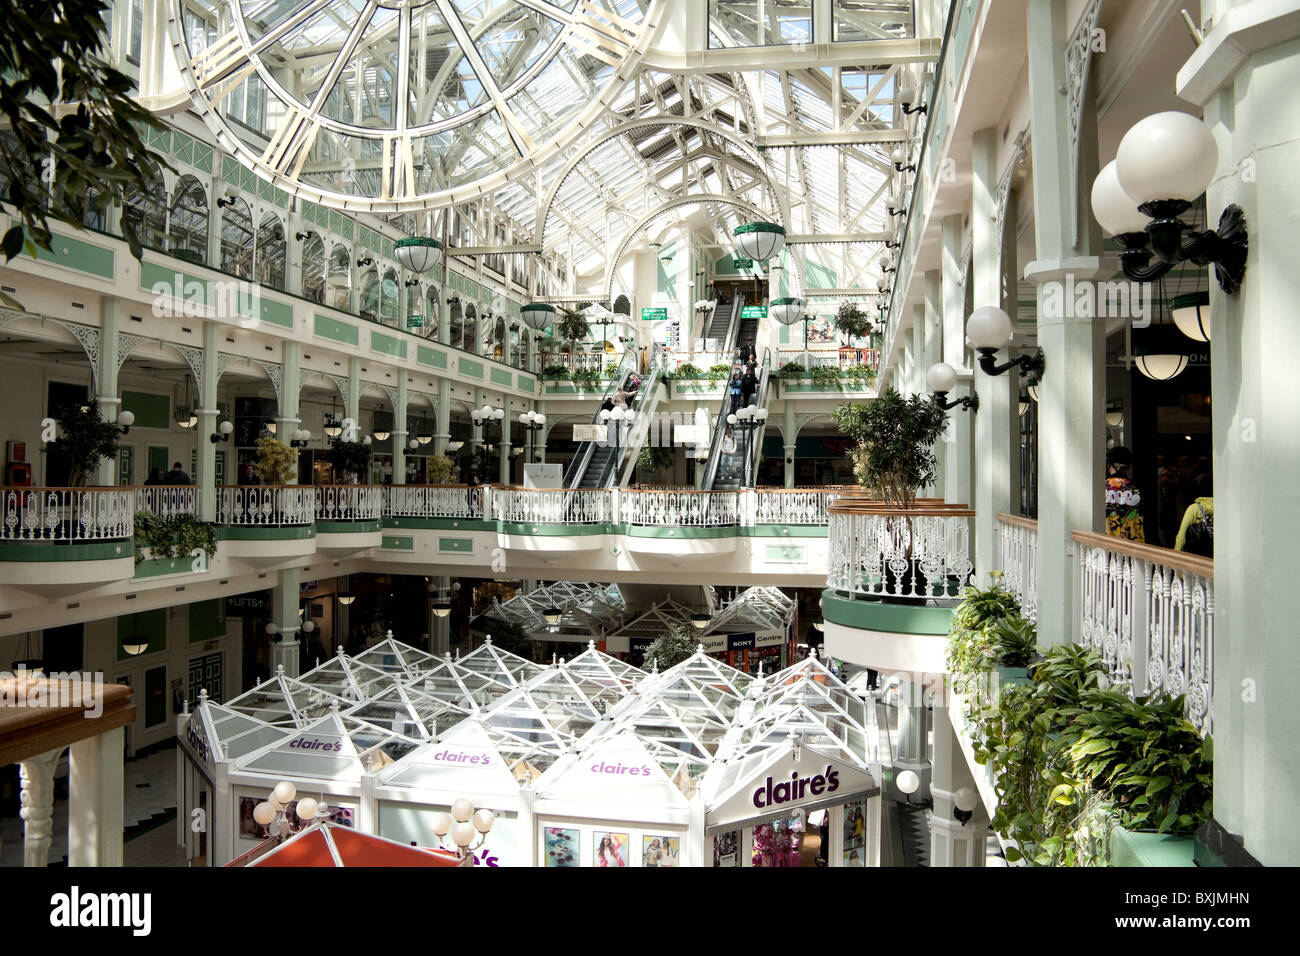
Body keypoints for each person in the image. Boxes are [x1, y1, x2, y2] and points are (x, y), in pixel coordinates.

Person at [1104, 446, 1144, 542]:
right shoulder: (1136, 489)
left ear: (1109, 465)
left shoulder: (1101, 487)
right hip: (1131, 543)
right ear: (1128, 467)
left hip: (1106, 542)